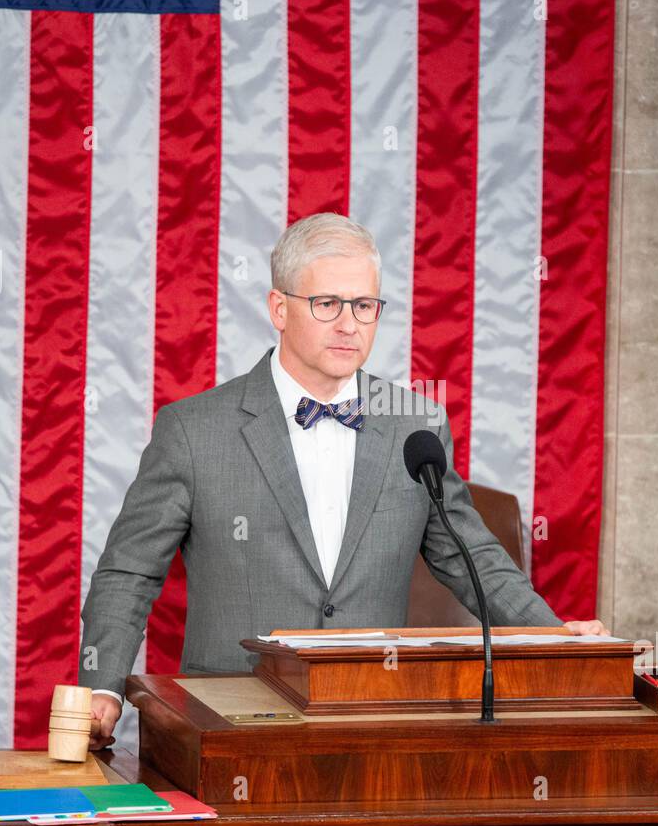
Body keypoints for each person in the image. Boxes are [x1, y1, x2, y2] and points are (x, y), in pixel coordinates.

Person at [80, 212, 606, 749]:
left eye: (364, 306)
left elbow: (474, 560)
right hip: (230, 723)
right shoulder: (193, 430)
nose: (349, 324)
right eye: (327, 303)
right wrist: (102, 689)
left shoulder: (415, 425)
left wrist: (555, 638)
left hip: (372, 716)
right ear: (279, 309)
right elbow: (128, 572)